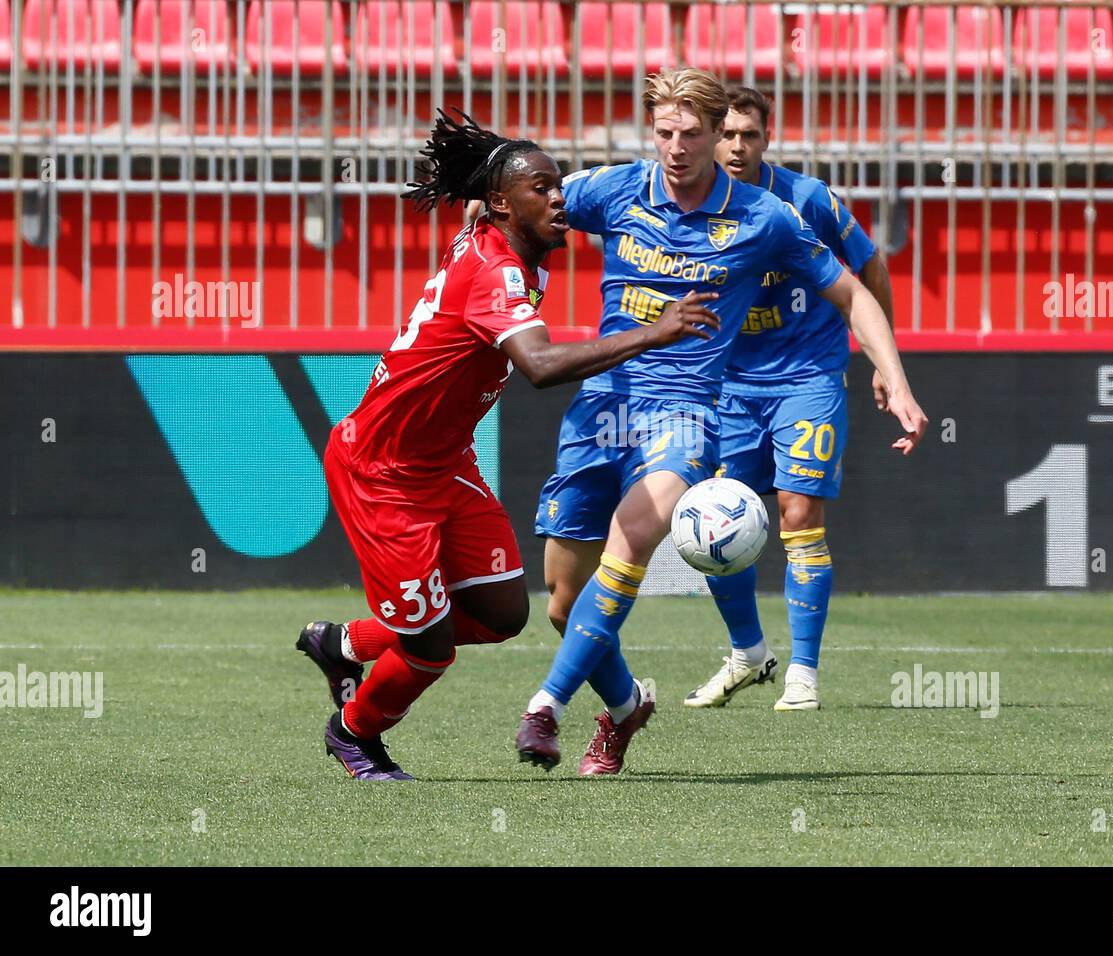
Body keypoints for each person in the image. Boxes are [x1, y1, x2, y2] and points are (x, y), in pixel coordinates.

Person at [516, 70, 927, 776]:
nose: (676, 148)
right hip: (602, 403)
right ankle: (623, 708)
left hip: (687, 407)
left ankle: (545, 705)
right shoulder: (613, 190)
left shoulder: (764, 216)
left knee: (639, 531)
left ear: (716, 134)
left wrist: (893, 372)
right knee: (561, 602)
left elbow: (855, 290)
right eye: (665, 132)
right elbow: (524, 210)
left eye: (692, 134)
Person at [297, 109, 721, 781]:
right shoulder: (496, 270)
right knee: (431, 650)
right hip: (382, 473)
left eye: (559, 187)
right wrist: (653, 332)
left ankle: (345, 642)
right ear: (500, 204)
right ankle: (354, 735)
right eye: (542, 189)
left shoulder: (505, 245)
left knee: (501, 614)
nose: (559, 199)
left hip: (444, 464)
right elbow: (541, 367)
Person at [685, 86, 898, 712]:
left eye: (748, 135)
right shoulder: (689, 204)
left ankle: (803, 671)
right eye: (725, 134)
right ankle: (749, 653)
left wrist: (886, 361)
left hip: (807, 376)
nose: (736, 146)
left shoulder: (809, 201)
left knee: (798, 513)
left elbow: (868, 271)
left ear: (766, 139)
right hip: (726, 386)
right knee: (711, 517)